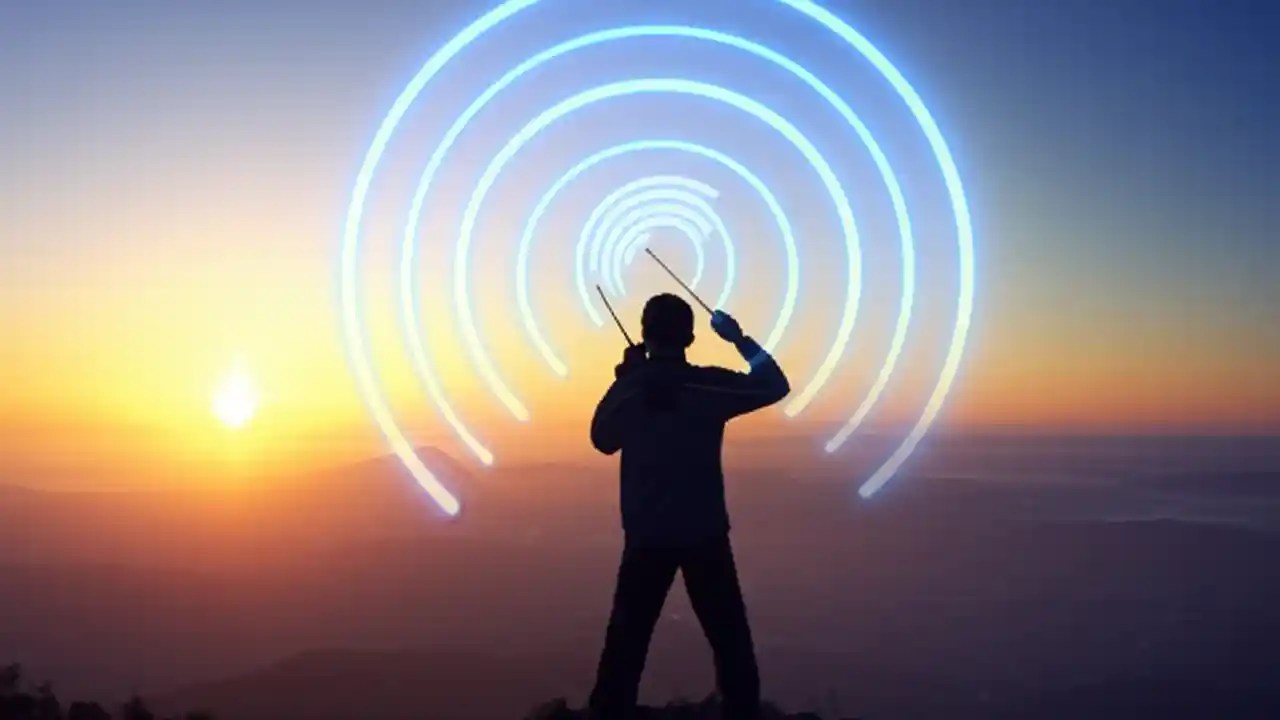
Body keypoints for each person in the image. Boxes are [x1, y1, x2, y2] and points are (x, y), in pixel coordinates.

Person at [588, 293, 790, 719]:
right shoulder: (705, 386)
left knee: (626, 643)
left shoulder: (634, 390)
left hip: (646, 537)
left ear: (644, 335)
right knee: (729, 639)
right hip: (704, 533)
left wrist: (626, 378)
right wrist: (739, 339)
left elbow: (602, 438)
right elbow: (774, 385)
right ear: (690, 337)